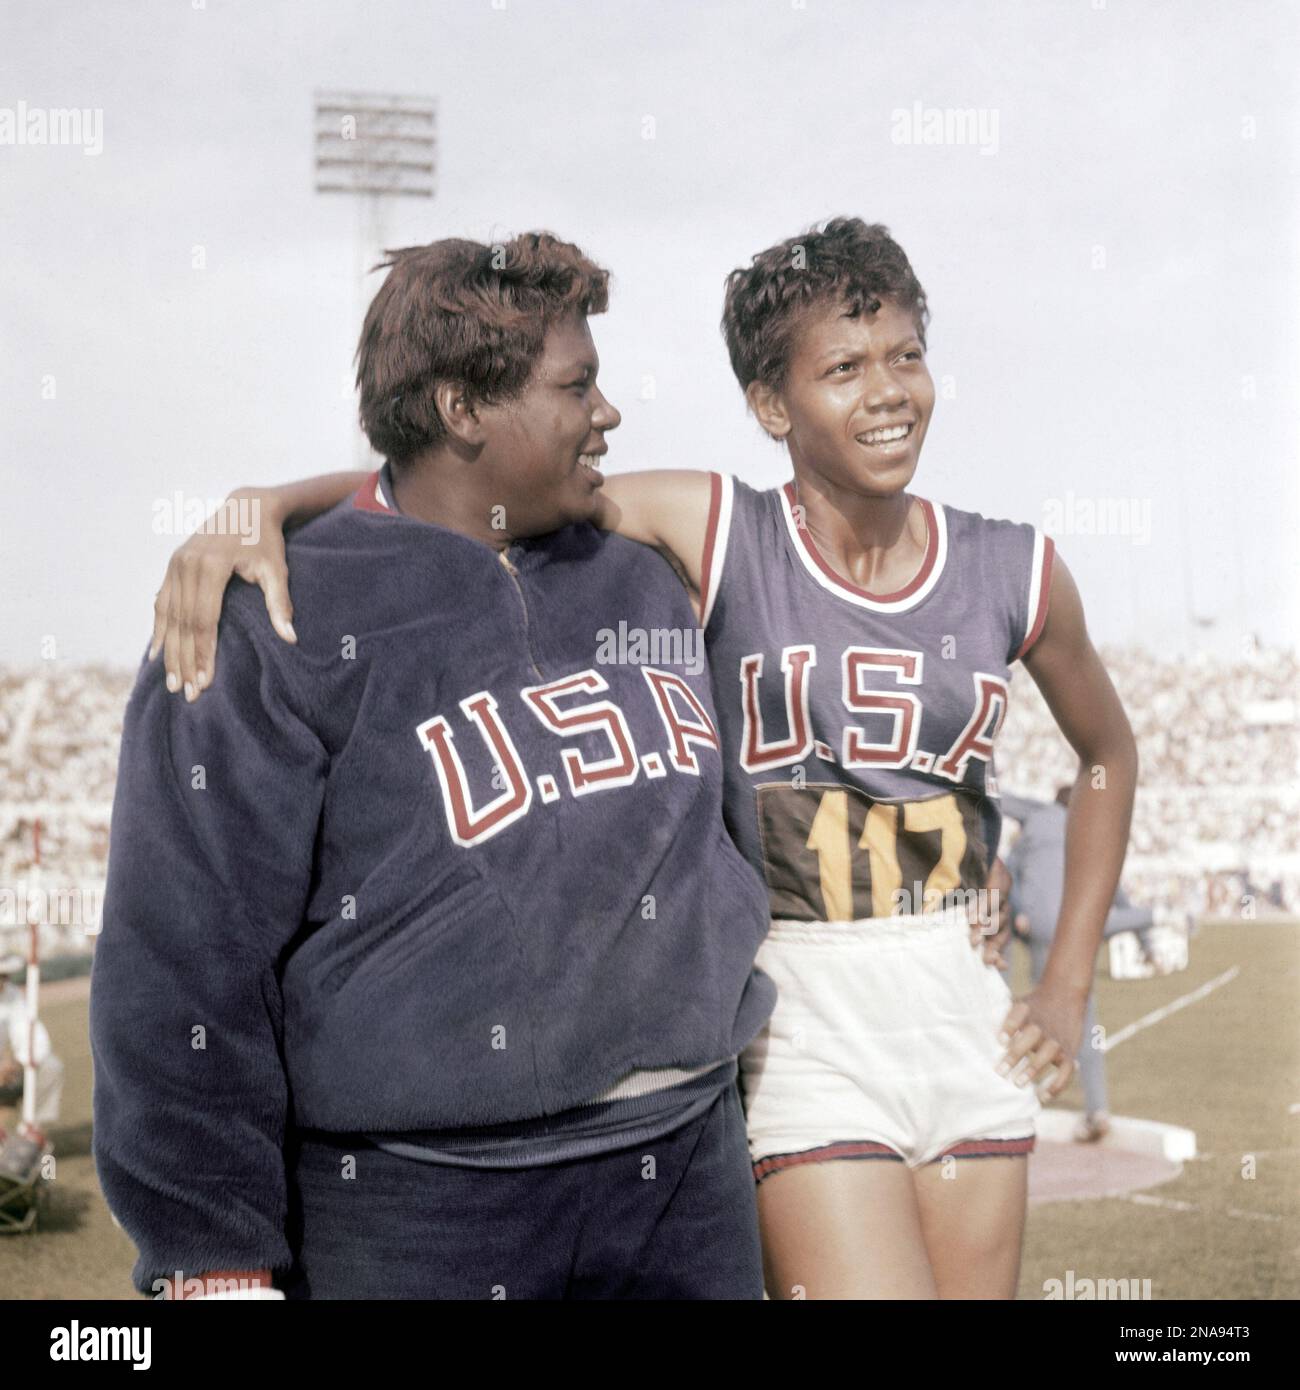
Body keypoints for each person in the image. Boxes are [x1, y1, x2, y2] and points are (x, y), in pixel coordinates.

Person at [147, 217, 1138, 1299]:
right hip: (794, 1018)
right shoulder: (713, 529)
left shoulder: (1005, 563)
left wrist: (1067, 975)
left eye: (905, 355)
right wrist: (266, 504)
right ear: (770, 405)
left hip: (928, 1004)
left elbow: (1106, 752)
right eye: (844, 367)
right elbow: (450, 485)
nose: (887, 389)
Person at [91, 233, 781, 1301]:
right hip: (417, 1210)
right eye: (577, 386)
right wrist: (213, 1258)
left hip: (686, 1174)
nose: (607, 413)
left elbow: (728, 835)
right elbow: (182, 956)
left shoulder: (642, 575)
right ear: (462, 408)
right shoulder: (270, 612)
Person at [1001, 788, 1157, 1142]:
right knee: (1082, 1014)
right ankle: (1097, 1108)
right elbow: (1113, 889)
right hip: (1078, 926)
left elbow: (1007, 875)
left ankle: (1017, 1096)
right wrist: (1144, 939)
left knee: (1033, 1011)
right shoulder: (1090, 827)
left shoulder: (1035, 825)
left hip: (1041, 928)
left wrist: (1023, 911)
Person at [0, 950, 63, 1179]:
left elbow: (33, 1039)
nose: (4, 981)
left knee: (50, 1066)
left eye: (5, 976)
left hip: (6, 1071)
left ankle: (31, 1133)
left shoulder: (12, 996)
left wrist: (17, 1062)